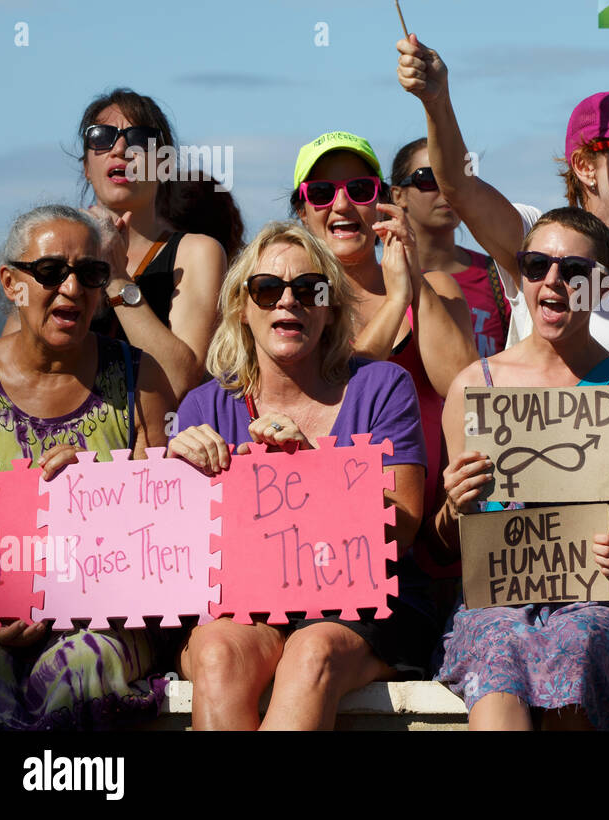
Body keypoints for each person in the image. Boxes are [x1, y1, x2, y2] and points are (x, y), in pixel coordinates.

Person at [397, 36, 609, 673]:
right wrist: (438, 100)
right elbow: (458, 186)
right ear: (585, 165)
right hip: (531, 542)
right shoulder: (535, 230)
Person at [427, 207, 609, 730]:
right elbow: (447, 545)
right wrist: (454, 507)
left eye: (574, 271)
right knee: (498, 644)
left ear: (604, 287)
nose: (553, 281)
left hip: (603, 606)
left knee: (579, 642)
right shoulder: (473, 388)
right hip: (498, 606)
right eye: (535, 265)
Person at [171, 222, 436, 730]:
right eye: (267, 289)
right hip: (249, 604)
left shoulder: (382, 386)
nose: (287, 302)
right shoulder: (202, 407)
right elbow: (187, 554)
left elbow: (401, 530)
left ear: (331, 306)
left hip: (371, 603)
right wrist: (178, 475)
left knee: (312, 648)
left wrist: (313, 465)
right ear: (240, 309)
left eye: (309, 289)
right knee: (216, 652)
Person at [0, 205, 175, 729]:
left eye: (90, 274)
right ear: (11, 283)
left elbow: (168, 534)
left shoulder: (138, 379)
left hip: (109, 622)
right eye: (50, 272)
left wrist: (101, 491)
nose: (72, 288)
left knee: (78, 667)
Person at [291, 131, 477, 572]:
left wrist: (413, 283)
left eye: (359, 190)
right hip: (339, 531)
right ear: (302, 213)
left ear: (381, 203)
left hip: (435, 531)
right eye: (321, 193)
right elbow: (342, 388)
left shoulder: (437, 288)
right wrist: (395, 303)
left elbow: (463, 390)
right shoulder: (292, 303)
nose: (341, 205)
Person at [75, 89, 229, 401]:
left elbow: (181, 380)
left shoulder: (196, 253)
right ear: (86, 167)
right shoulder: (54, 248)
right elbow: (9, 365)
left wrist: (117, 279)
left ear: (166, 166)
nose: (119, 148)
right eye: (101, 136)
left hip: (157, 444)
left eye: (140, 139)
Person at [388, 137, 510, 358]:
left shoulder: (499, 277)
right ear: (398, 195)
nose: (446, 191)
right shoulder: (381, 282)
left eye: (454, 178)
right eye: (428, 179)